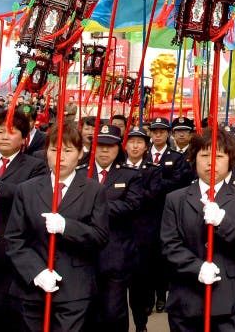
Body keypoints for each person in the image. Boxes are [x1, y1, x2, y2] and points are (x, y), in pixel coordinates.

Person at [5, 123, 109, 331]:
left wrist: (67, 227)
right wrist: (37, 272)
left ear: (80, 154)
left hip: (74, 289)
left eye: (68, 150)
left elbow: (100, 237)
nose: (60, 157)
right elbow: (14, 238)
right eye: (54, 150)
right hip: (32, 288)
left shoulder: (93, 191)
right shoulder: (28, 189)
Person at [160, 127, 235, 331]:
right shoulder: (176, 199)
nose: (211, 162)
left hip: (228, 298)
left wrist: (224, 221)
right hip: (186, 296)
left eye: (219, 156)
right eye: (204, 155)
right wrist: (197, 267)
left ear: (231, 160)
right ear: (194, 159)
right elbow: (170, 245)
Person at [77, 123, 143, 332]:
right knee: (86, 309)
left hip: (116, 253)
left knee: (113, 311)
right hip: (84, 252)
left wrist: (94, 207)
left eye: (110, 146)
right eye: (100, 145)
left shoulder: (130, 175)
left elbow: (131, 205)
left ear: (118, 148)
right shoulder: (80, 173)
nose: (104, 150)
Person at [0, 110, 47, 328]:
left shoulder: (35, 165)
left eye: (11, 132)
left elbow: (34, 199)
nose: (4, 136)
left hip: (10, 251)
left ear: (24, 139)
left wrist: (2, 188)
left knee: (4, 311)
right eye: (0, 131)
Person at [148, 116, 193, 312]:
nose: (158, 135)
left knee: (162, 255)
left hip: (166, 212)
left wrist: (154, 186)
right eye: (154, 131)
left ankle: (161, 295)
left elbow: (178, 183)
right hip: (144, 213)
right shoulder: (143, 155)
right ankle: (147, 298)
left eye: (162, 131)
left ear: (168, 134)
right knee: (145, 256)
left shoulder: (176, 157)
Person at [125, 123, 165, 332]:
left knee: (139, 284)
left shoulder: (152, 171)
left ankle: (141, 324)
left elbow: (152, 196)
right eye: (131, 142)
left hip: (143, 234)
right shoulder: (118, 169)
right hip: (120, 233)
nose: (134, 146)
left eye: (139, 142)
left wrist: (126, 196)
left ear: (145, 147)